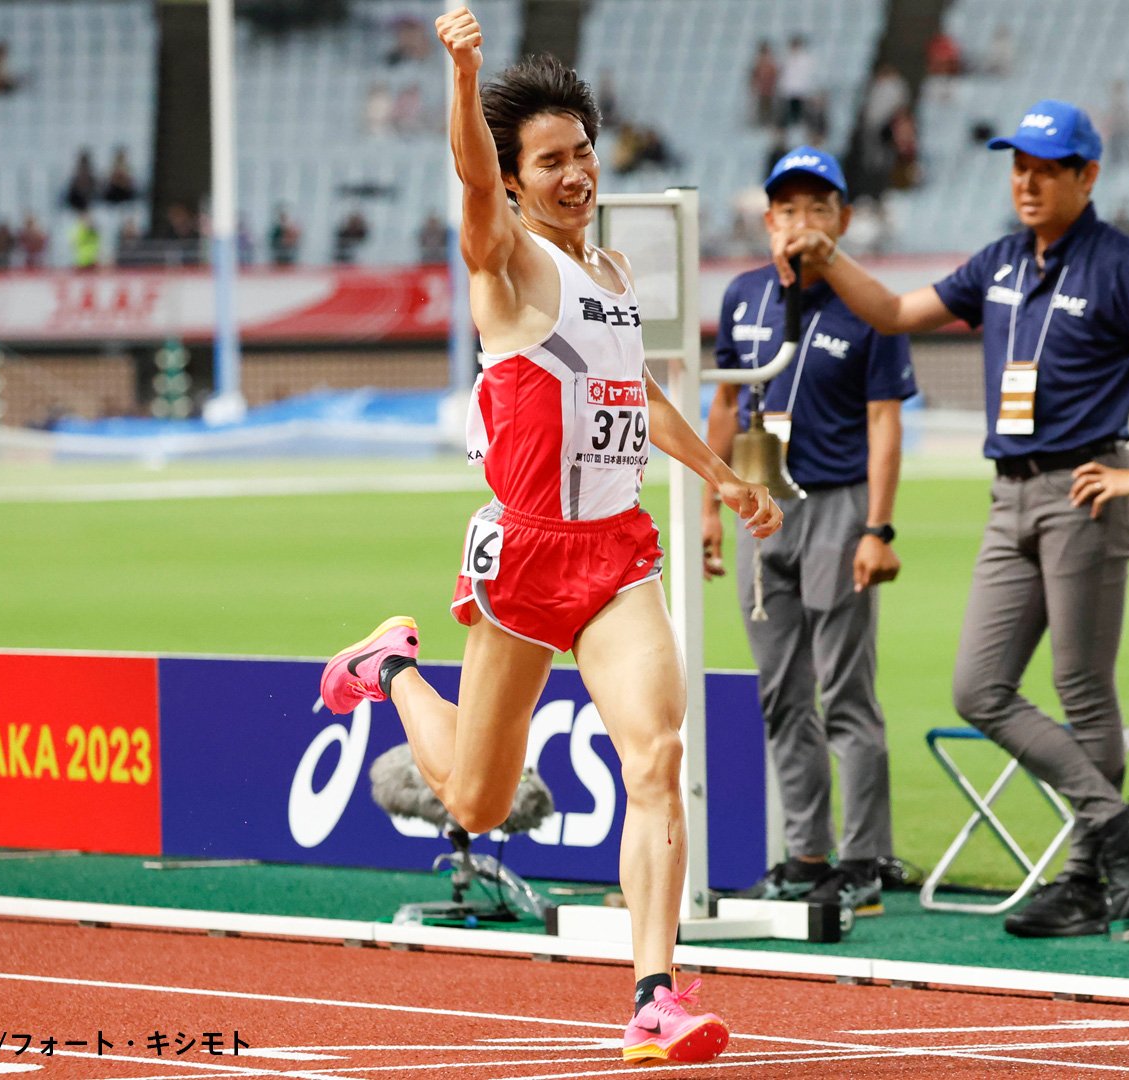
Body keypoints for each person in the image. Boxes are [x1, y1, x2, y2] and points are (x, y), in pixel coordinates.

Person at [319, 7, 779, 1064]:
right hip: (525, 555)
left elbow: (640, 396)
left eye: (583, 154)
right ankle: (390, 669)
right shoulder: (508, 261)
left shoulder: (613, 277)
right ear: (519, 180)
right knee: (475, 800)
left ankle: (654, 995)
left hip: (613, 552)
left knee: (657, 755)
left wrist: (719, 481)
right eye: (550, 161)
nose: (574, 174)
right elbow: (472, 181)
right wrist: (466, 70)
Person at [771, 99, 1129, 938]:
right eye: (1016, 165)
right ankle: (1117, 821)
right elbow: (894, 314)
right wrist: (829, 255)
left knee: (1082, 689)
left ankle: (1090, 879)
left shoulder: (1123, 266)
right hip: (1008, 494)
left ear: (1087, 177)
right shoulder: (1001, 262)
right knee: (978, 688)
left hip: (1084, 490)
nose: (1025, 181)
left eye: (1045, 168)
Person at [705, 147, 916, 918]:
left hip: (837, 504)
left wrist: (878, 527)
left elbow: (886, 423)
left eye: (817, 208)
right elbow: (727, 408)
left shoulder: (871, 306)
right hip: (765, 509)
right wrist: (709, 509)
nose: (801, 223)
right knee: (780, 694)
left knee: (846, 692)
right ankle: (805, 854)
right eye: (787, 210)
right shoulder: (743, 298)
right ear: (767, 223)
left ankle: (862, 859)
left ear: (844, 221)